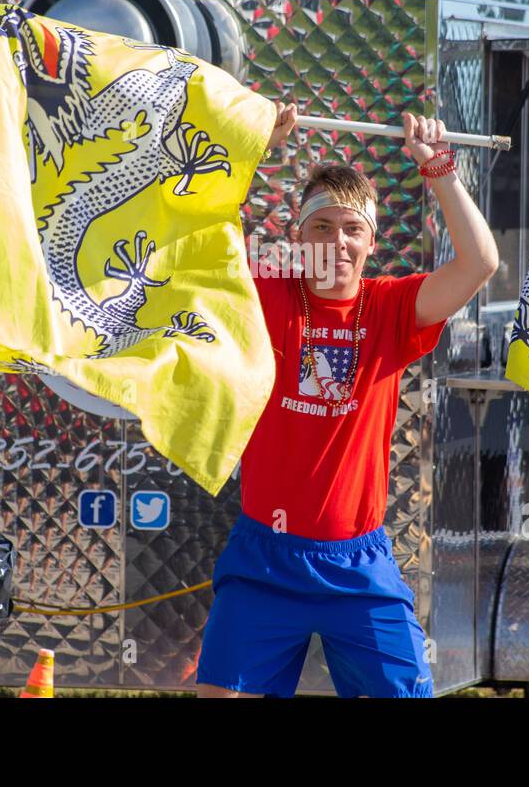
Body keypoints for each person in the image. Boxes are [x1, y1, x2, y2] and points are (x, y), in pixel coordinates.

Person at [195, 104, 500, 697]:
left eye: (352, 228)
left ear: (372, 241)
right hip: (265, 558)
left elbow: (480, 263)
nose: (337, 241)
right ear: (297, 236)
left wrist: (439, 169)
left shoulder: (389, 307)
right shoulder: (266, 296)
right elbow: (207, 240)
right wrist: (253, 151)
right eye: (321, 227)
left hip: (357, 564)